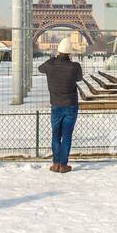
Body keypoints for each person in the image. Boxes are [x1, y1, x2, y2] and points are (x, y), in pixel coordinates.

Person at [38, 37, 83, 173]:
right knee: (67, 136)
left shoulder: (50, 65)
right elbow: (79, 78)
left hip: (56, 105)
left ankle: (55, 163)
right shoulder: (75, 67)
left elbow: (40, 68)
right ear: (70, 53)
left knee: (55, 135)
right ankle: (63, 165)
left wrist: (52, 59)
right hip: (71, 105)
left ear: (58, 51)